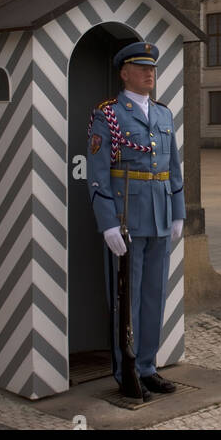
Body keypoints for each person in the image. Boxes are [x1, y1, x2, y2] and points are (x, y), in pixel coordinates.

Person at [86, 41, 184, 399]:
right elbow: (97, 174)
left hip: (159, 217)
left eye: (152, 69)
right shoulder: (108, 114)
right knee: (125, 299)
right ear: (124, 73)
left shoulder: (163, 114)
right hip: (127, 219)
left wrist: (178, 212)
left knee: (154, 295)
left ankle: (147, 366)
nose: (149, 74)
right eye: (141, 68)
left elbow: (173, 168)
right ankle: (124, 370)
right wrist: (107, 223)